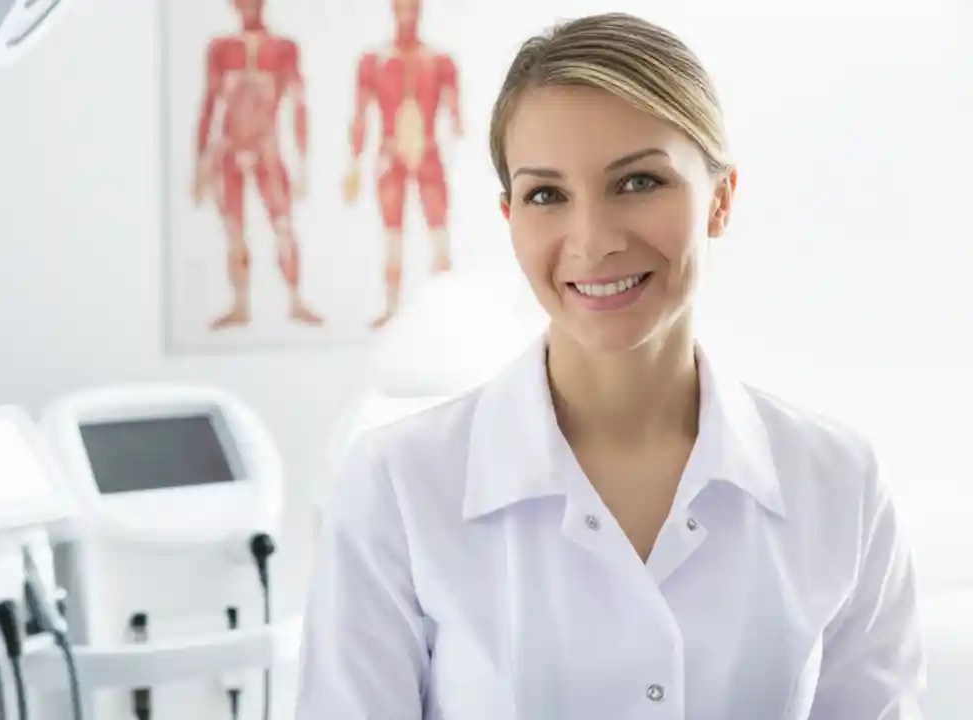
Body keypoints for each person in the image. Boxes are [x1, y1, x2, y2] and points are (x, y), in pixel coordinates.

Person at [295, 12, 925, 719]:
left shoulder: (840, 483)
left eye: (638, 183)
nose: (592, 242)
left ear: (720, 198)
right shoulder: (396, 489)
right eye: (547, 195)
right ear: (509, 217)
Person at [193, 0, 323, 331]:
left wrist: (302, 161)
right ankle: (240, 304)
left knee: (282, 225)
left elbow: (298, 105)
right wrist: (200, 162)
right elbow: (209, 103)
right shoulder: (221, 48)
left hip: (267, 149)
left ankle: (294, 299)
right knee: (234, 230)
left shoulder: (283, 48)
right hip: (229, 150)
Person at [344, 0, 462, 330]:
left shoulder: (439, 61)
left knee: (438, 228)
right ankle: (391, 307)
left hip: (427, 151)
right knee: (392, 231)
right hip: (390, 153)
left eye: (413, 8)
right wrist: (353, 163)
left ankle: (445, 308)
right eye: (402, 8)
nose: (408, 16)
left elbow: (456, 119)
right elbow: (360, 115)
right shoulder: (375, 61)